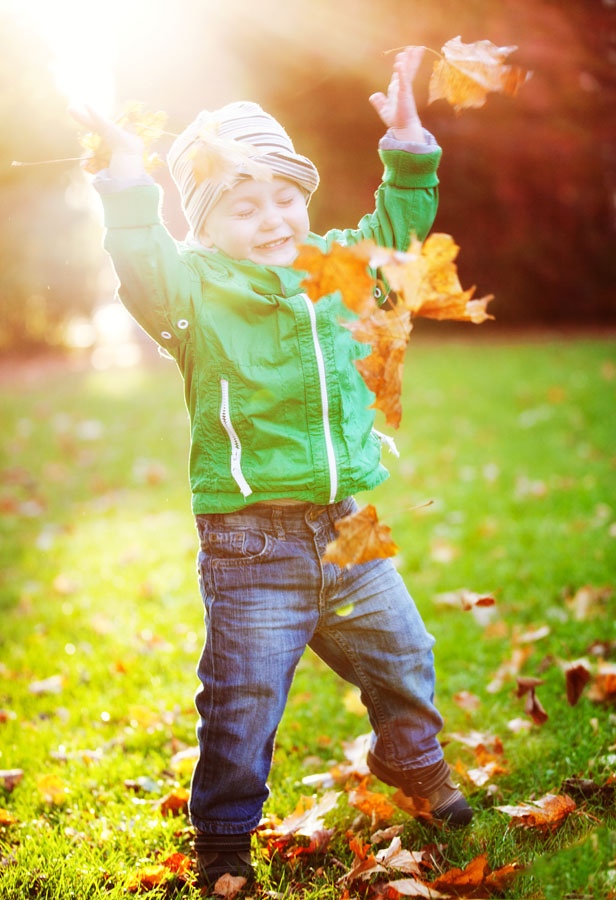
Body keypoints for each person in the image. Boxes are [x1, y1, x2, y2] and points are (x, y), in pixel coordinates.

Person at [72, 46, 472, 887]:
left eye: (285, 197)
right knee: (243, 700)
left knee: (405, 655)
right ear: (205, 226)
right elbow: (142, 259)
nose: (273, 218)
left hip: (348, 524)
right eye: (243, 206)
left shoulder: (337, 272)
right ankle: (222, 841)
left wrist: (406, 149)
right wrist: (124, 179)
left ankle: (416, 763)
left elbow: (399, 236)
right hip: (252, 548)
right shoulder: (191, 296)